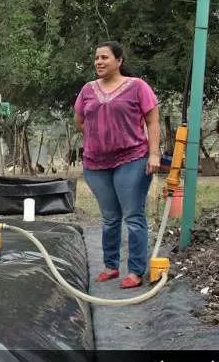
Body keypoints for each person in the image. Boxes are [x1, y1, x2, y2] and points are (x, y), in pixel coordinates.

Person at [73, 41, 160, 289]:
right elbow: (79, 121)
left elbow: (152, 122)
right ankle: (111, 266)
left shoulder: (137, 87)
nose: (98, 62)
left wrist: (153, 154)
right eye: (96, 58)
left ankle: (135, 271)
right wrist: (100, 136)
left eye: (104, 58)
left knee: (133, 216)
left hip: (132, 158)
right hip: (96, 163)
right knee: (110, 218)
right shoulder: (87, 90)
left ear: (119, 61)